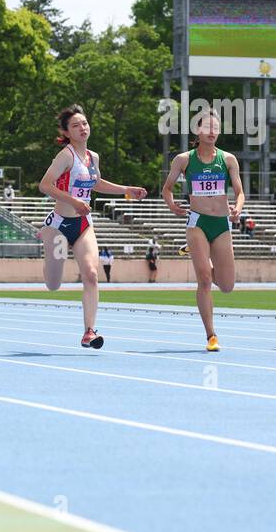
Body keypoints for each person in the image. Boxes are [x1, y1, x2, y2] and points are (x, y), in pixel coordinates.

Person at [38, 104, 147, 349]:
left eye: (84, 123)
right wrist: (74, 201)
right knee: (53, 285)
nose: (82, 128)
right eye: (75, 125)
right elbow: (44, 185)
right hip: (58, 225)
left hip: (83, 225)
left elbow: (96, 183)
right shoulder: (65, 156)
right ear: (66, 132)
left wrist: (125, 190)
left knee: (91, 273)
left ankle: (89, 331)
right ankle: (47, 251)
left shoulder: (93, 157)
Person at [160, 111, 244, 352]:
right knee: (205, 278)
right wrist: (172, 204)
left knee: (227, 286)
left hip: (221, 224)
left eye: (216, 127)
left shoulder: (228, 159)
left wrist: (237, 208)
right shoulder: (184, 159)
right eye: (207, 126)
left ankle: (196, 252)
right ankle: (211, 335)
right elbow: (167, 189)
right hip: (197, 222)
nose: (212, 131)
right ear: (197, 130)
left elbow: (239, 192)